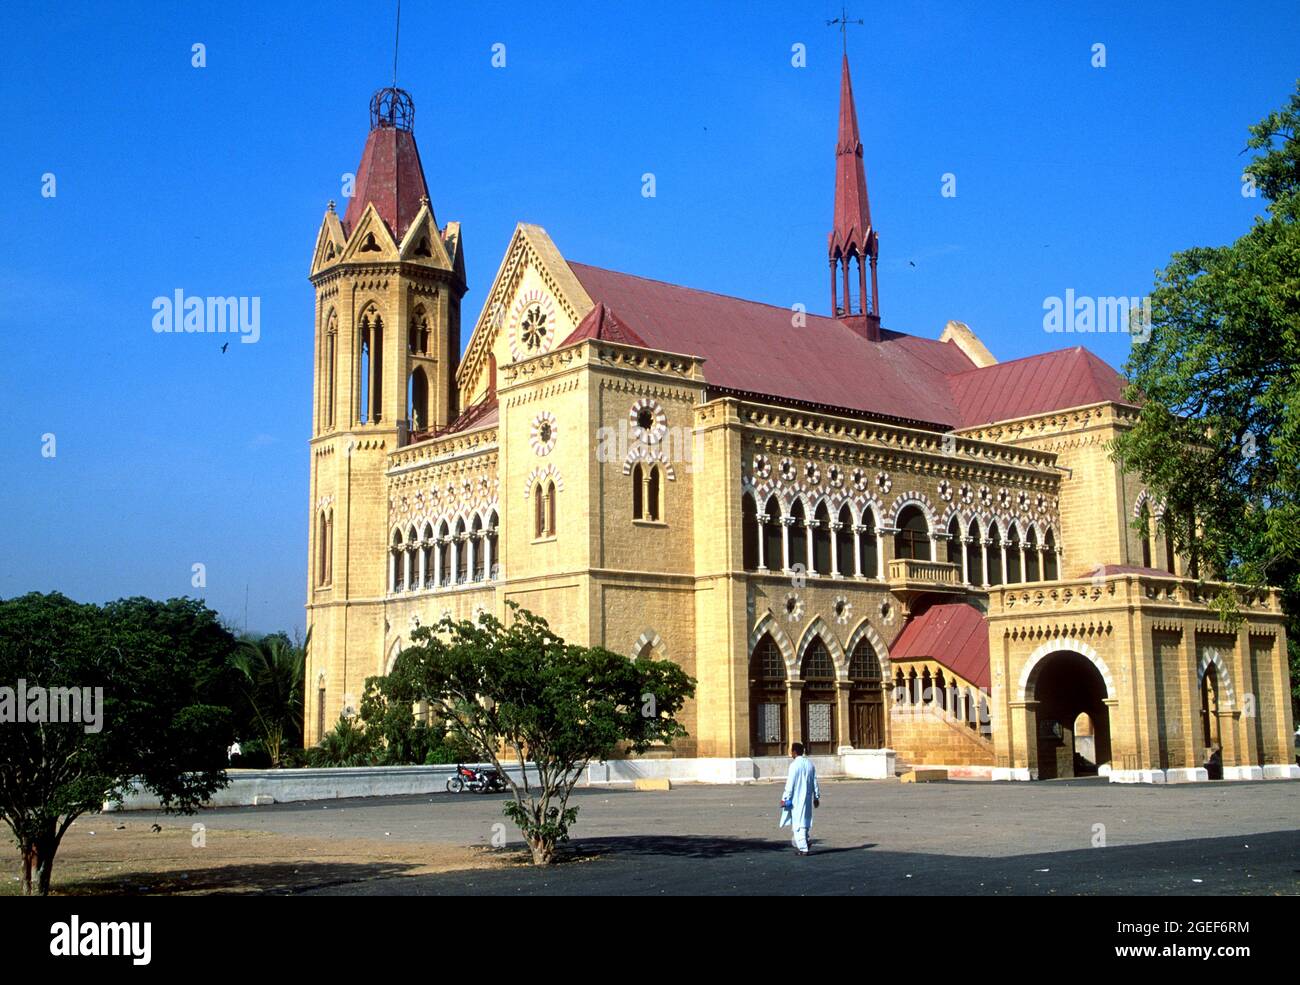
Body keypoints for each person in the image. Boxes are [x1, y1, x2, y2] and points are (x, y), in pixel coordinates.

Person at [779, 742, 820, 855]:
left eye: (791, 751)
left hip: (796, 799)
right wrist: (816, 797)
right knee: (805, 822)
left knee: (798, 824)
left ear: (794, 752)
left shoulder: (794, 766)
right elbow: (814, 781)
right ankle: (805, 842)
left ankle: (803, 848)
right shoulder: (810, 764)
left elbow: (790, 784)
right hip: (807, 798)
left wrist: (785, 798)